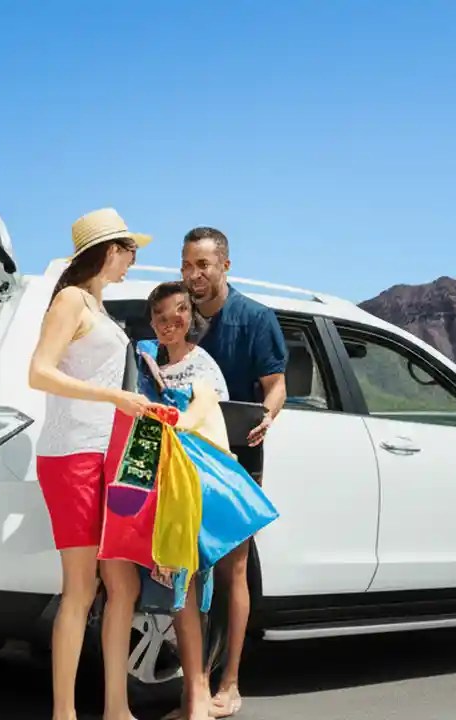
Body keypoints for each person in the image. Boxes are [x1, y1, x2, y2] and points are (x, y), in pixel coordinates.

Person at [28, 208, 163, 720]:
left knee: (124, 584)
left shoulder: (97, 306)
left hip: (107, 455)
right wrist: (113, 396)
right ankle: (64, 713)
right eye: (131, 251)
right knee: (81, 588)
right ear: (110, 250)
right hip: (72, 455)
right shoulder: (69, 299)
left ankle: (116, 709)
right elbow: (39, 372)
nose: (133, 261)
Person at [180, 227, 288, 717]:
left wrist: (268, 415)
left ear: (225, 265)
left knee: (232, 570)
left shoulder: (255, 318)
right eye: (187, 265)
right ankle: (195, 688)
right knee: (186, 571)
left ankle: (230, 682)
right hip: (184, 457)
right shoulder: (177, 315)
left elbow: (276, 384)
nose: (194, 274)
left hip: (238, 457)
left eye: (203, 264)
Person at [143, 281, 228, 720]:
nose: (169, 321)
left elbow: (201, 411)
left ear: (191, 315)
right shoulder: (152, 365)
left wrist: (171, 421)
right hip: (166, 485)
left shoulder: (201, 363)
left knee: (193, 587)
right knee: (182, 591)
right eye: (160, 316)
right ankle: (194, 696)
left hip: (194, 485)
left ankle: (198, 696)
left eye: (178, 311)